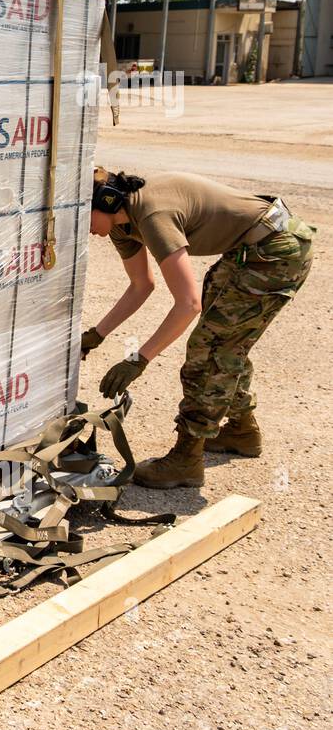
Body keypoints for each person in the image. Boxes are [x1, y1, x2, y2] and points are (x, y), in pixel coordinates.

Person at [83, 168, 316, 490]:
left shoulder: (152, 215)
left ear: (106, 202)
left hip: (275, 250)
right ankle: (240, 431)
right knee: (226, 341)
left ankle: (186, 460)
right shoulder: (119, 223)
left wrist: (139, 359)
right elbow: (141, 285)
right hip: (249, 249)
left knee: (210, 351)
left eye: (83, 220)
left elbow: (187, 304)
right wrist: (96, 335)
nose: (83, 231)